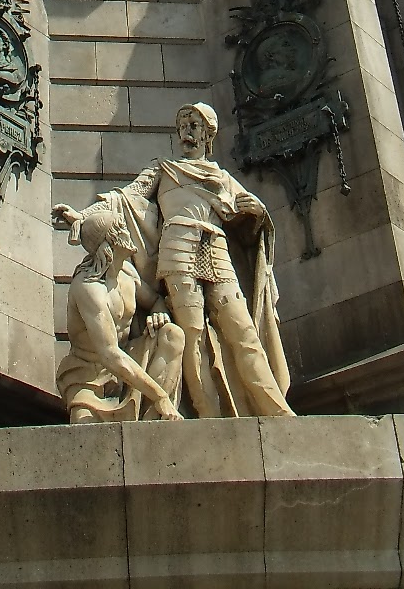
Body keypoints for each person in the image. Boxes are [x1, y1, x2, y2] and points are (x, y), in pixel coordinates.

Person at [56, 103, 294, 418]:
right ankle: (207, 417)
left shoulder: (222, 178)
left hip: (216, 249)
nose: (187, 132)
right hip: (177, 252)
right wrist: (83, 217)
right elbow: (126, 197)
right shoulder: (163, 168)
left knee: (243, 331)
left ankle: (277, 412)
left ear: (209, 133)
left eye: (194, 126)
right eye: (183, 126)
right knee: (192, 337)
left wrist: (256, 212)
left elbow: (252, 222)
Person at [51, 202, 185, 423]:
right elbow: (110, 354)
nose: (127, 232)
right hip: (90, 376)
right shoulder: (89, 289)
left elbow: (156, 301)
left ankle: (154, 420)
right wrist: (160, 394)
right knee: (86, 430)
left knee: (173, 334)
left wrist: (159, 314)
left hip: (128, 362)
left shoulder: (127, 272)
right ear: (110, 242)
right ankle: (158, 404)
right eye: (121, 228)